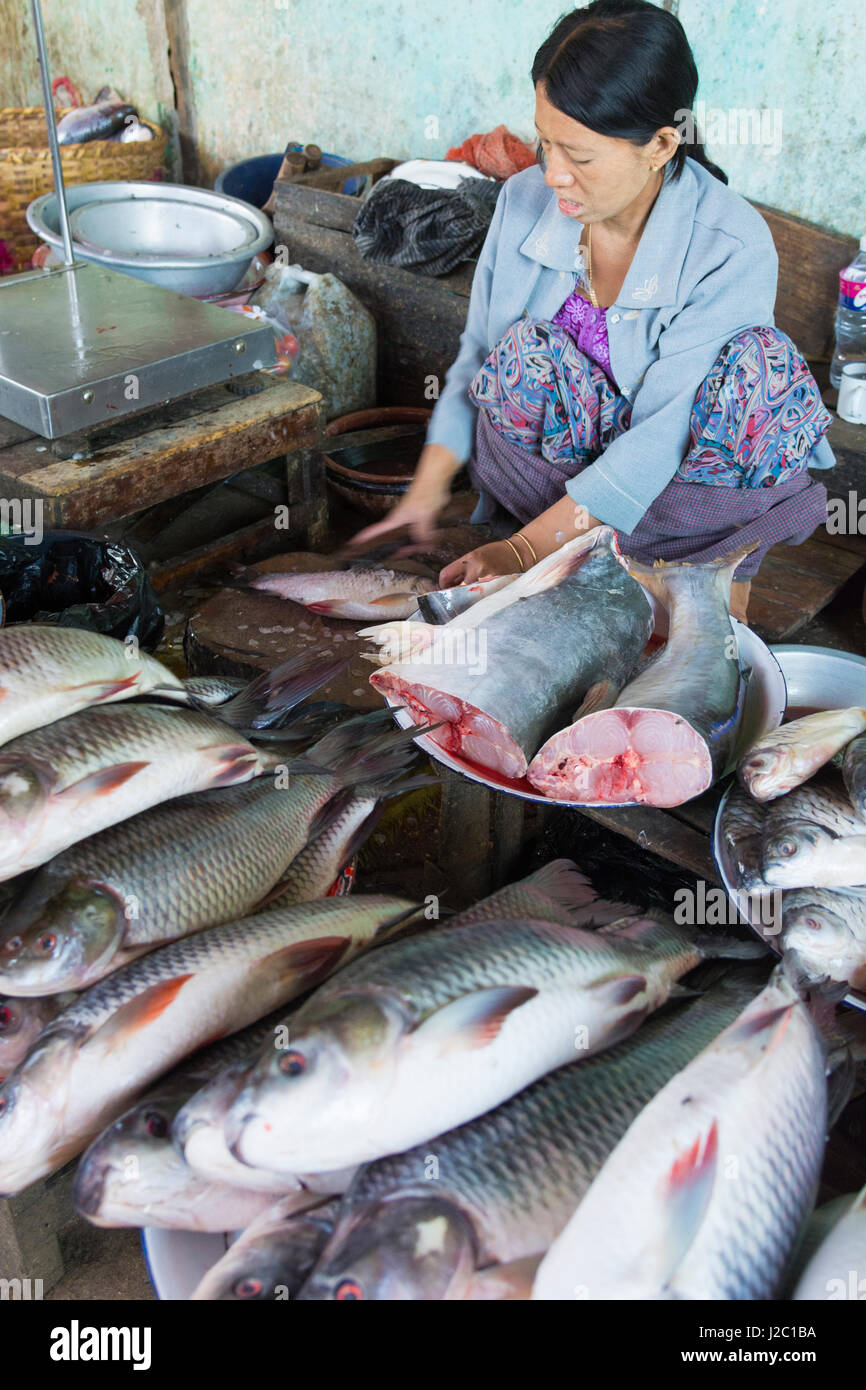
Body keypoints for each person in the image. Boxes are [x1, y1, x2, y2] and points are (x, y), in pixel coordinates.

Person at [353, 0, 833, 622]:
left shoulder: (730, 244)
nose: (552, 175)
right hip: (550, 485)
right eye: (544, 142)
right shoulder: (524, 201)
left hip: (680, 495)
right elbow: (478, 356)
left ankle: (683, 569)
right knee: (521, 356)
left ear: (660, 144)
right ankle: (606, 559)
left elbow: (662, 438)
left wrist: (524, 550)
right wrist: (428, 483)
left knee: (761, 370)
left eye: (578, 156)